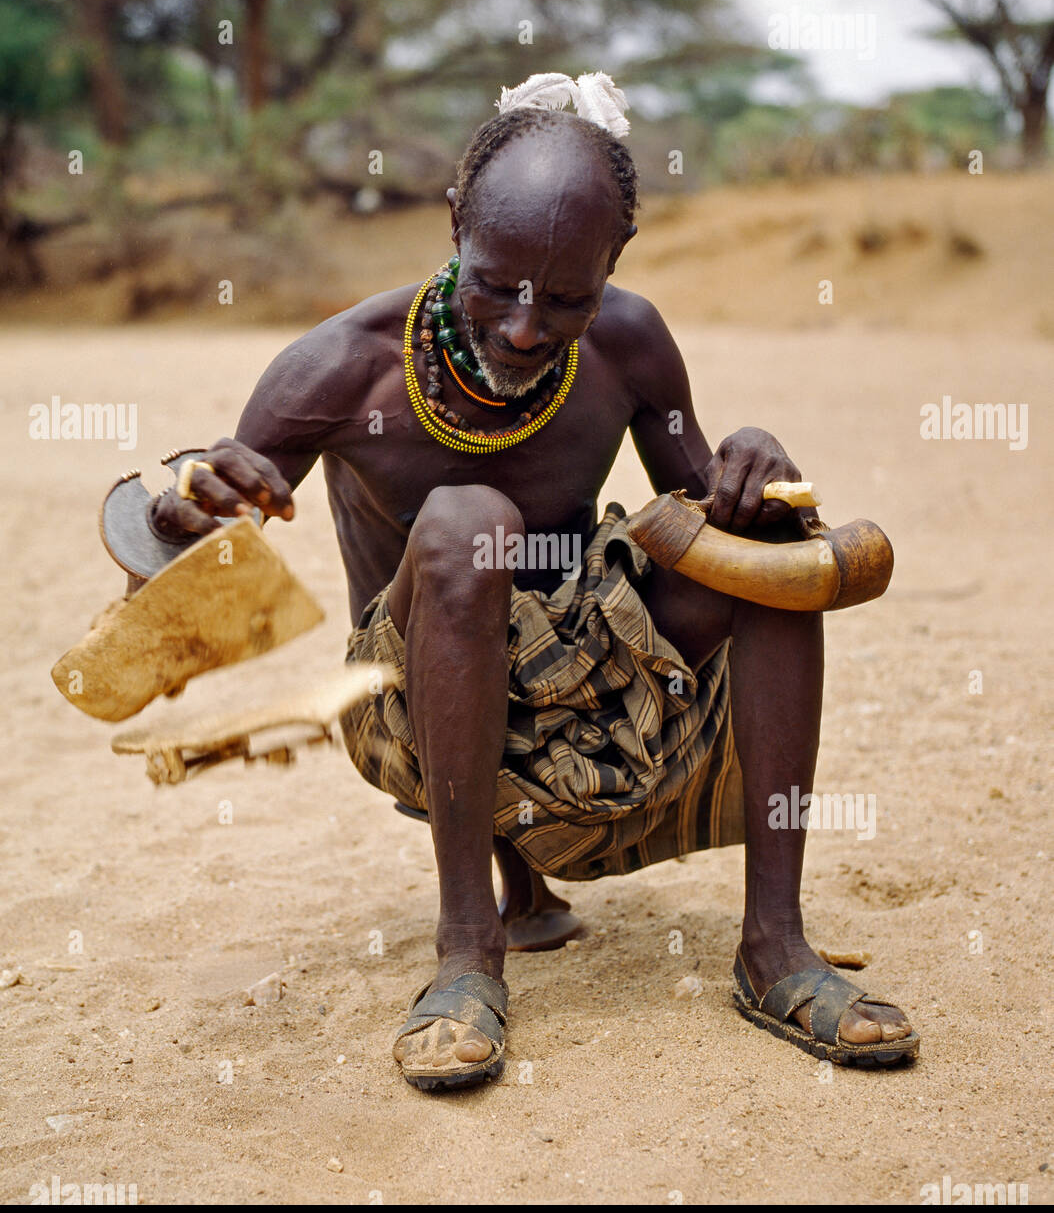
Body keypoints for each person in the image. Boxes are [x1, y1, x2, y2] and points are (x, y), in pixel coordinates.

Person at [152, 73, 917, 1090]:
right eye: (497, 284)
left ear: (615, 263)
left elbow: (706, 525)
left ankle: (773, 945)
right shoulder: (336, 371)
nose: (523, 329)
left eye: (566, 298)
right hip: (409, 704)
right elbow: (171, 595)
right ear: (455, 222)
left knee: (768, 549)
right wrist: (181, 504)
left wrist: (755, 469)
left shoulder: (630, 342)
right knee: (471, 522)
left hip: (593, 683)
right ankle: (468, 948)